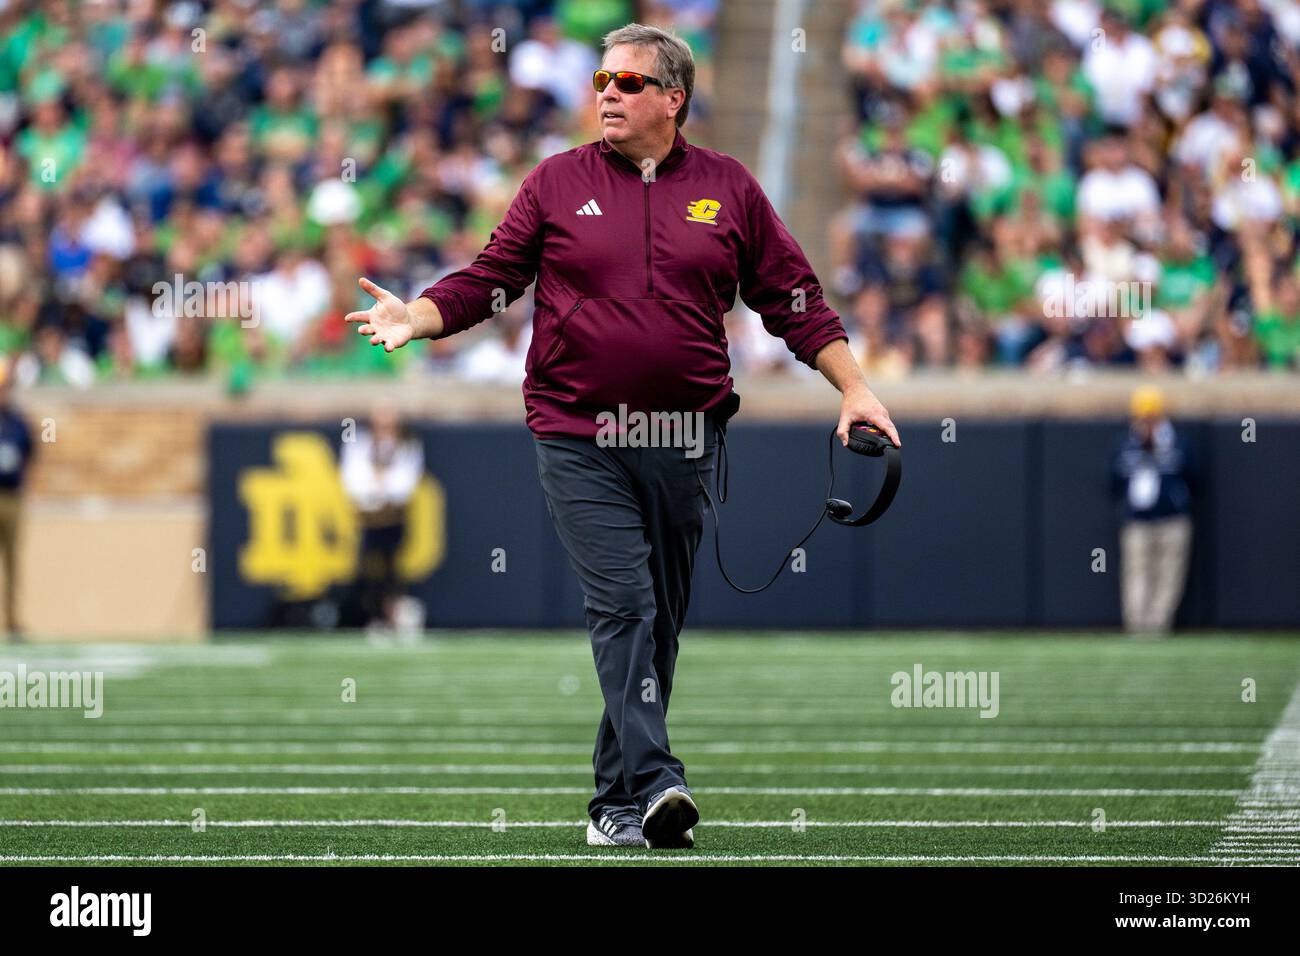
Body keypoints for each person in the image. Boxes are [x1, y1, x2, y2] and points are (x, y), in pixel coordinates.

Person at [346, 23, 899, 849]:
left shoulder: (730, 188)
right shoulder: (556, 182)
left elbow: (791, 299)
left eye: (628, 82)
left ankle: (613, 804)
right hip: (578, 431)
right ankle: (658, 778)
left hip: (684, 434)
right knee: (624, 602)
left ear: (673, 99)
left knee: (659, 619)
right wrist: (419, 316)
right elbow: (493, 278)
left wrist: (853, 387)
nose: (606, 92)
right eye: (602, 78)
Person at [1111, 385, 1195, 635]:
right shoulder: (1126, 444)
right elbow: (1113, 480)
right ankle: (1137, 625)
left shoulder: (1178, 443)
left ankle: (1159, 625)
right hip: (1137, 520)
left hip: (1172, 519)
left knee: (1169, 573)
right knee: (1136, 572)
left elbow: (1195, 477)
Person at [339, 409, 425, 634]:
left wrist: (381, 489)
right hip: (367, 520)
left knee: (392, 569)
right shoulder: (359, 445)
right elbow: (352, 479)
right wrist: (373, 492)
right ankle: (373, 615)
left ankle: (393, 615)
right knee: (368, 569)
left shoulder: (407, 447)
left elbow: (405, 484)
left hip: (394, 518)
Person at [0, 361, 34, 642]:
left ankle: (12, 621)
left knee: (12, 561)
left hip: (12, 496)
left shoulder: (18, 422)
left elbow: (31, 455)